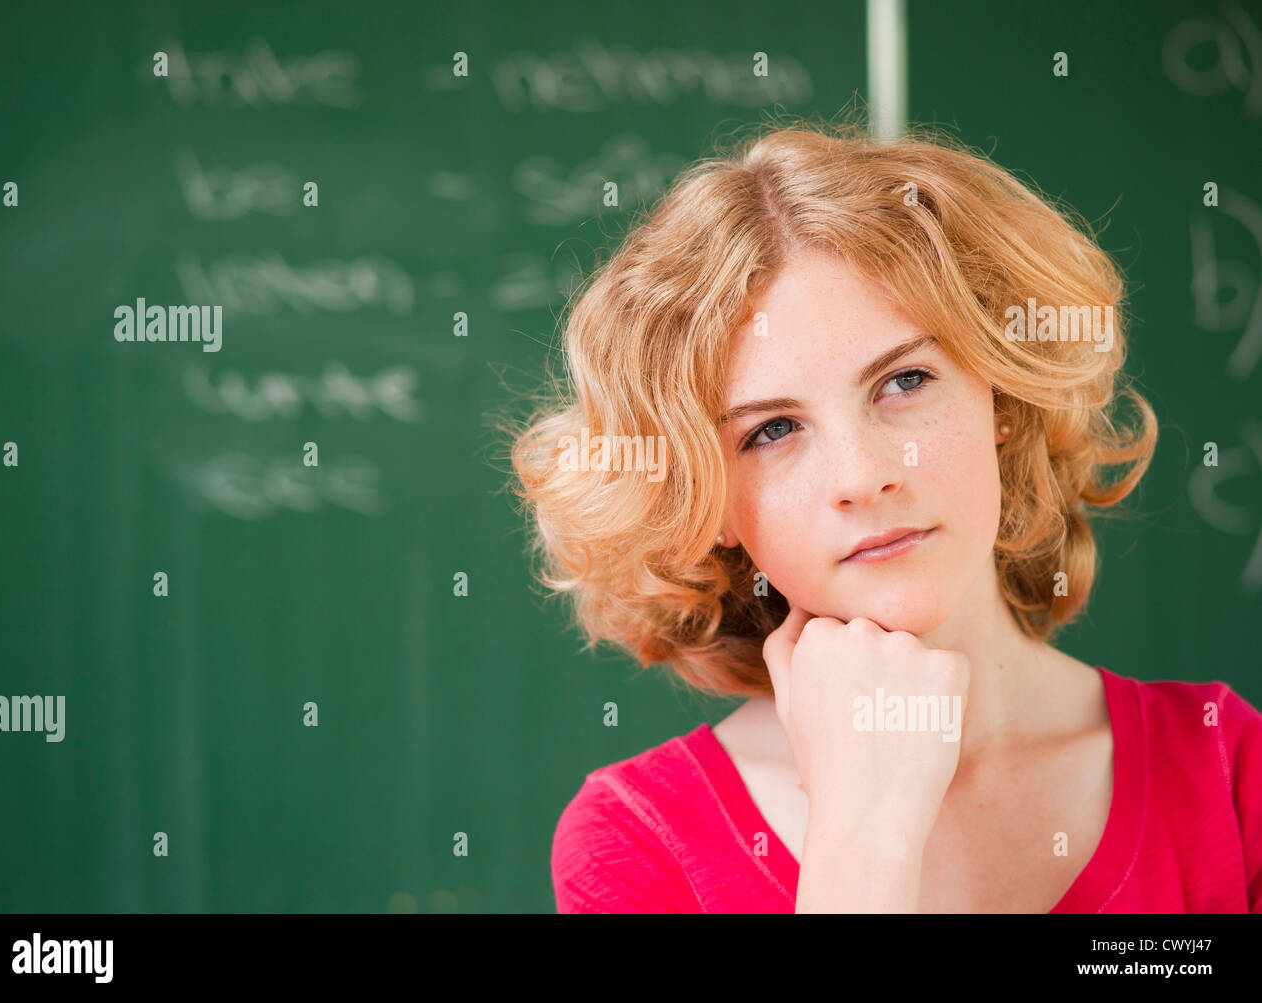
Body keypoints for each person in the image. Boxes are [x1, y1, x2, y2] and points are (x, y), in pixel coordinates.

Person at [504, 116, 1262, 913]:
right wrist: (865, 834)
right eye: (773, 431)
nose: (863, 478)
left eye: (903, 382)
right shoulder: (639, 846)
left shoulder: (1227, 772)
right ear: (708, 503)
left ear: (1000, 393)